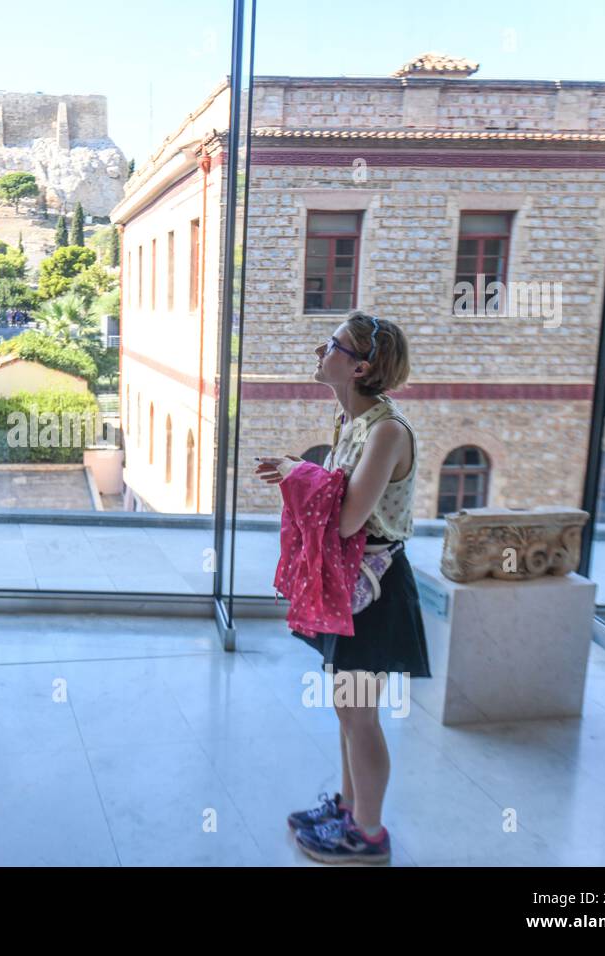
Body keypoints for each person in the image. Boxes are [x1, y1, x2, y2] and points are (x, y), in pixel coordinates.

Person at [256, 310, 427, 867]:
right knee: (347, 709)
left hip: (373, 592)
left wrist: (294, 471)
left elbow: (350, 519)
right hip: (350, 584)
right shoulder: (351, 421)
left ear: (361, 367)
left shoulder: (386, 431)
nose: (320, 350)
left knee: (359, 714)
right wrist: (298, 471)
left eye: (333, 344)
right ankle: (351, 810)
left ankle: (369, 834)